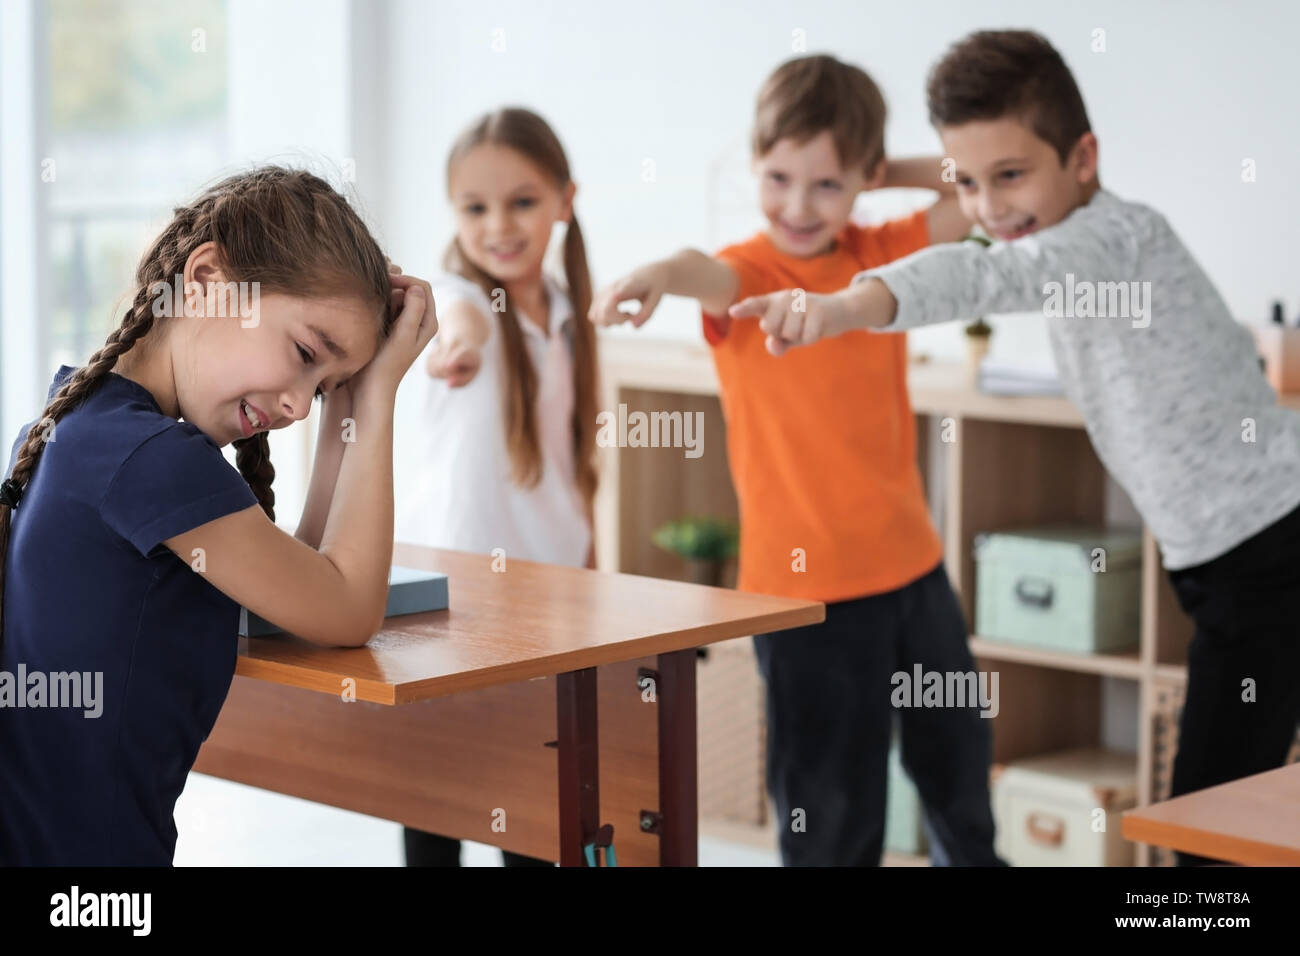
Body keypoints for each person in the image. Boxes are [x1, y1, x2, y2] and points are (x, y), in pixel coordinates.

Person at [737, 31, 1300, 865]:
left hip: (1269, 558)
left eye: (1011, 176)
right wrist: (874, 169)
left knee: (1208, 833)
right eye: (967, 181)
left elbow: (980, 276)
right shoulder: (1067, 227)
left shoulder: (1110, 241)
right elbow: (992, 205)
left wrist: (844, 305)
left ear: (1083, 157)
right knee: (1219, 817)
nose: (990, 207)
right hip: (1230, 564)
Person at [590, 55, 1002, 866]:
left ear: (864, 181)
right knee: (831, 811)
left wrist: (878, 175)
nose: (798, 206)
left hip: (916, 577)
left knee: (959, 780)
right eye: (778, 178)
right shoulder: (750, 273)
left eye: (827, 185)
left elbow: (976, 187)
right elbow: (695, 269)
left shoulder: (882, 254)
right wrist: (655, 277)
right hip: (807, 599)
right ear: (754, 167)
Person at [0, 167, 437, 864]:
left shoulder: (84, 425)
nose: (299, 404)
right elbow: (348, 609)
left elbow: (308, 584)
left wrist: (348, 408)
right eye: (303, 353)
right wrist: (379, 396)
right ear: (207, 278)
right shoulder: (149, 459)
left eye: (323, 387)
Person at [396, 108, 599, 867]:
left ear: (564, 200)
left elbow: (570, 467)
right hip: (457, 587)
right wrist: (455, 351)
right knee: (439, 790)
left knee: (533, 792)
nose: (498, 226)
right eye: (474, 208)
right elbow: (461, 322)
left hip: (546, 589)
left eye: (522, 201)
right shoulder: (465, 297)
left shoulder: (568, 309)